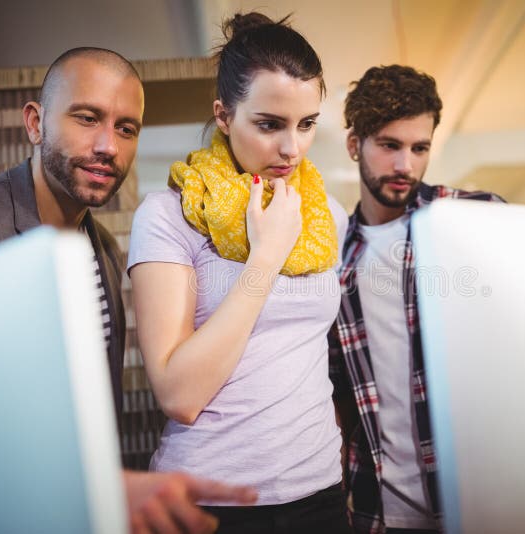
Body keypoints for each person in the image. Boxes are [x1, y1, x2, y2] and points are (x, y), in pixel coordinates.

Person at [0, 47, 256, 534]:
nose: (109, 145)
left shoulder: (104, 248)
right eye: (87, 118)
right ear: (35, 123)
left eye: (126, 128)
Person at [127, 12, 351, 534]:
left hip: (320, 490)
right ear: (224, 116)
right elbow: (180, 396)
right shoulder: (169, 214)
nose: (292, 148)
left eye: (307, 124)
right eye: (269, 124)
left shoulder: (327, 217)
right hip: (212, 499)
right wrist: (265, 257)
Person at [328, 65, 504, 534]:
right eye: (390, 145)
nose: (405, 165)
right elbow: (337, 390)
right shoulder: (333, 257)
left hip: (483, 501)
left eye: (419, 148)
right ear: (354, 144)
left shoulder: (474, 219)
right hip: (379, 508)